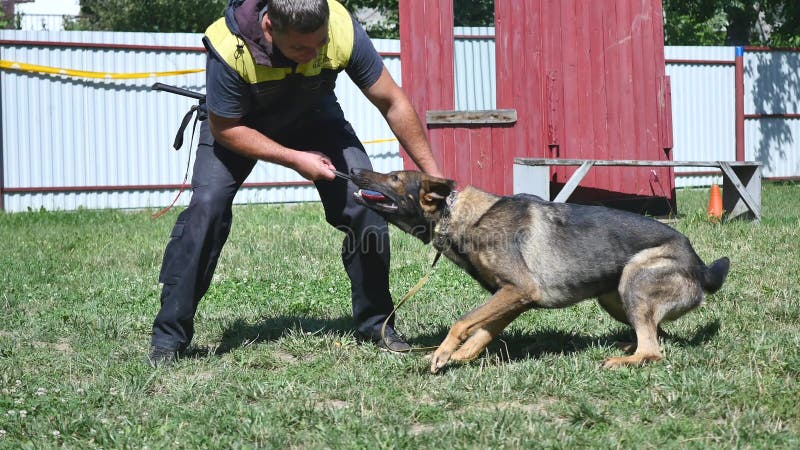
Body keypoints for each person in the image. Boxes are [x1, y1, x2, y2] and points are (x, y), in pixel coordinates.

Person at [147, 0, 442, 366]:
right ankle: (169, 338)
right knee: (206, 210)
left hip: (315, 118)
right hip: (238, 126)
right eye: (302, 47)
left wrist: (431, 175)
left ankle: (376, 325)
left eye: (320, 44)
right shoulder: (228, 45)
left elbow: (392, 101)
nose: (313, 55)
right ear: (270, 28)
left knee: (367, 203)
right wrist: (295, 158)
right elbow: (225, 129)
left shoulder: (340, 27)